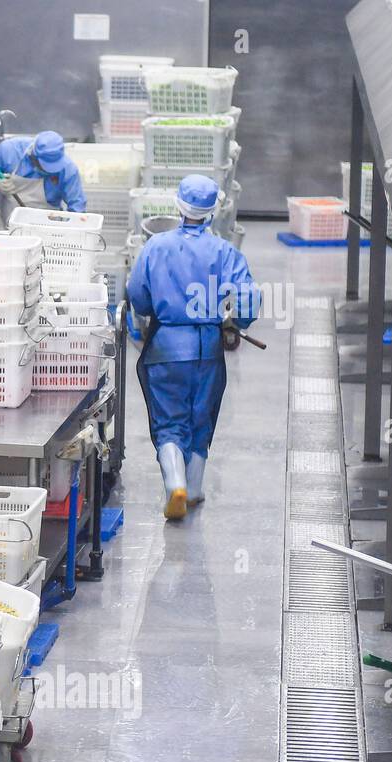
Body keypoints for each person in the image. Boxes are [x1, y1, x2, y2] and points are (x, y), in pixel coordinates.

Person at [126, 174, 260, 521]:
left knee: (170, 422)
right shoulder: (225, 251)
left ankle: (176, 485)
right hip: (208, 348)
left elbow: (137, 297)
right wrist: (237, 322)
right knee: (202, 418)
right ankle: (196, 488)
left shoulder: (155, 247)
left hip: (166, 346)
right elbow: (247, 297)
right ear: (214, 211)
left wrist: (153, 308)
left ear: (178, 207)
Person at [0, 131, 86, 212]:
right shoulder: (10, 150)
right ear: (33, 156)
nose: (48, 171)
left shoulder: (68, 169)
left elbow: (77, 205)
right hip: (10, 228)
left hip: (49, 228)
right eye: (44, 166)